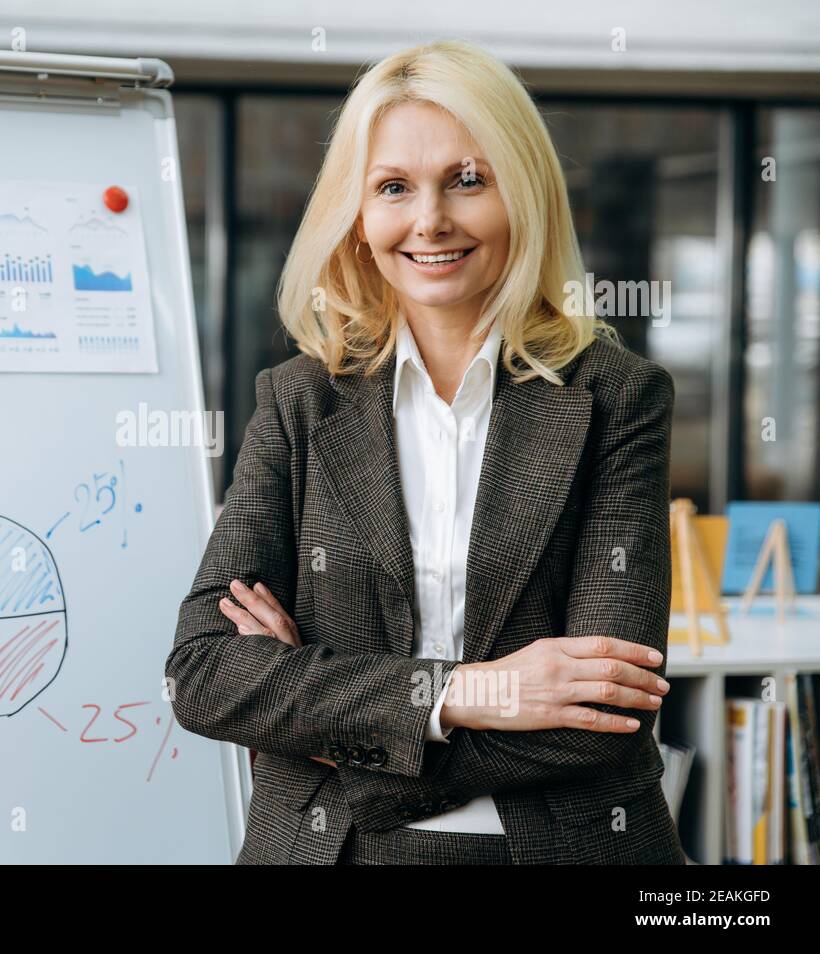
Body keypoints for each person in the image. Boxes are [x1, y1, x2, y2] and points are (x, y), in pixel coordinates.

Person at [165, 39, 685, 865]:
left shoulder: (617, 398)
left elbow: (605, 710)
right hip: (325, 848)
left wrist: (329, 724)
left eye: (467, 180)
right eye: (394, 187)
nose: (430, 219)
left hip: (561, 846)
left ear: (523, 195)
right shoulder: (299, 400)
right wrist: (468, 692)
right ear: (359, 218)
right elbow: (204, 673)